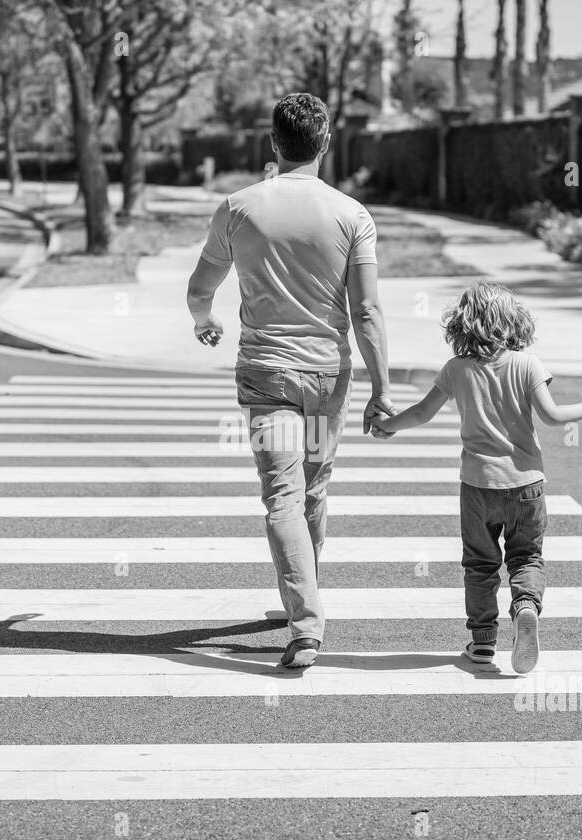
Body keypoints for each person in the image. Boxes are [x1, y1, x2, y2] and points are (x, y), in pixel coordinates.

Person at [185, 92, 395, 669]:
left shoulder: (237, 208)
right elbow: (368, 313)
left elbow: (200, 289)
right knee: (314, 488)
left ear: (273, 143)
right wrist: (383, 390)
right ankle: (305, 596)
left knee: (282, 494)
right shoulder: (354, 216)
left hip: (263, 373)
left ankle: (305, 622)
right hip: (328, 373)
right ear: (326, 142)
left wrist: (205, 321)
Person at [371, 281, 582, 673]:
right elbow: (551, 417)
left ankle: (482, 641)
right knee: (526, 557)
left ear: (462, 325)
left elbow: (422, 412)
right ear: (514, 321)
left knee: (480, 564)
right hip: (526, 484)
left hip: (477, 485)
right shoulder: (527, 364)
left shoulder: (456, 369)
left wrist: (388, 426)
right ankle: (525, 606)